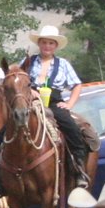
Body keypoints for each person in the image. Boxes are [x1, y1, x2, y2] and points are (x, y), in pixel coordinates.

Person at [20, 25, 91, 189]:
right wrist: (30, 91)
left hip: (53, 102)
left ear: (55, 46)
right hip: (29, 102)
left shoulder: (63, 64)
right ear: (39, 44)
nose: (47, 46)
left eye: (51, 43)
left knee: (72, 129)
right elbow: (18, 77)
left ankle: (79, 169)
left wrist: (69, 104)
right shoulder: (28, 62)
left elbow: (77, 85)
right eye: (44, 42)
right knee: (4, 132)